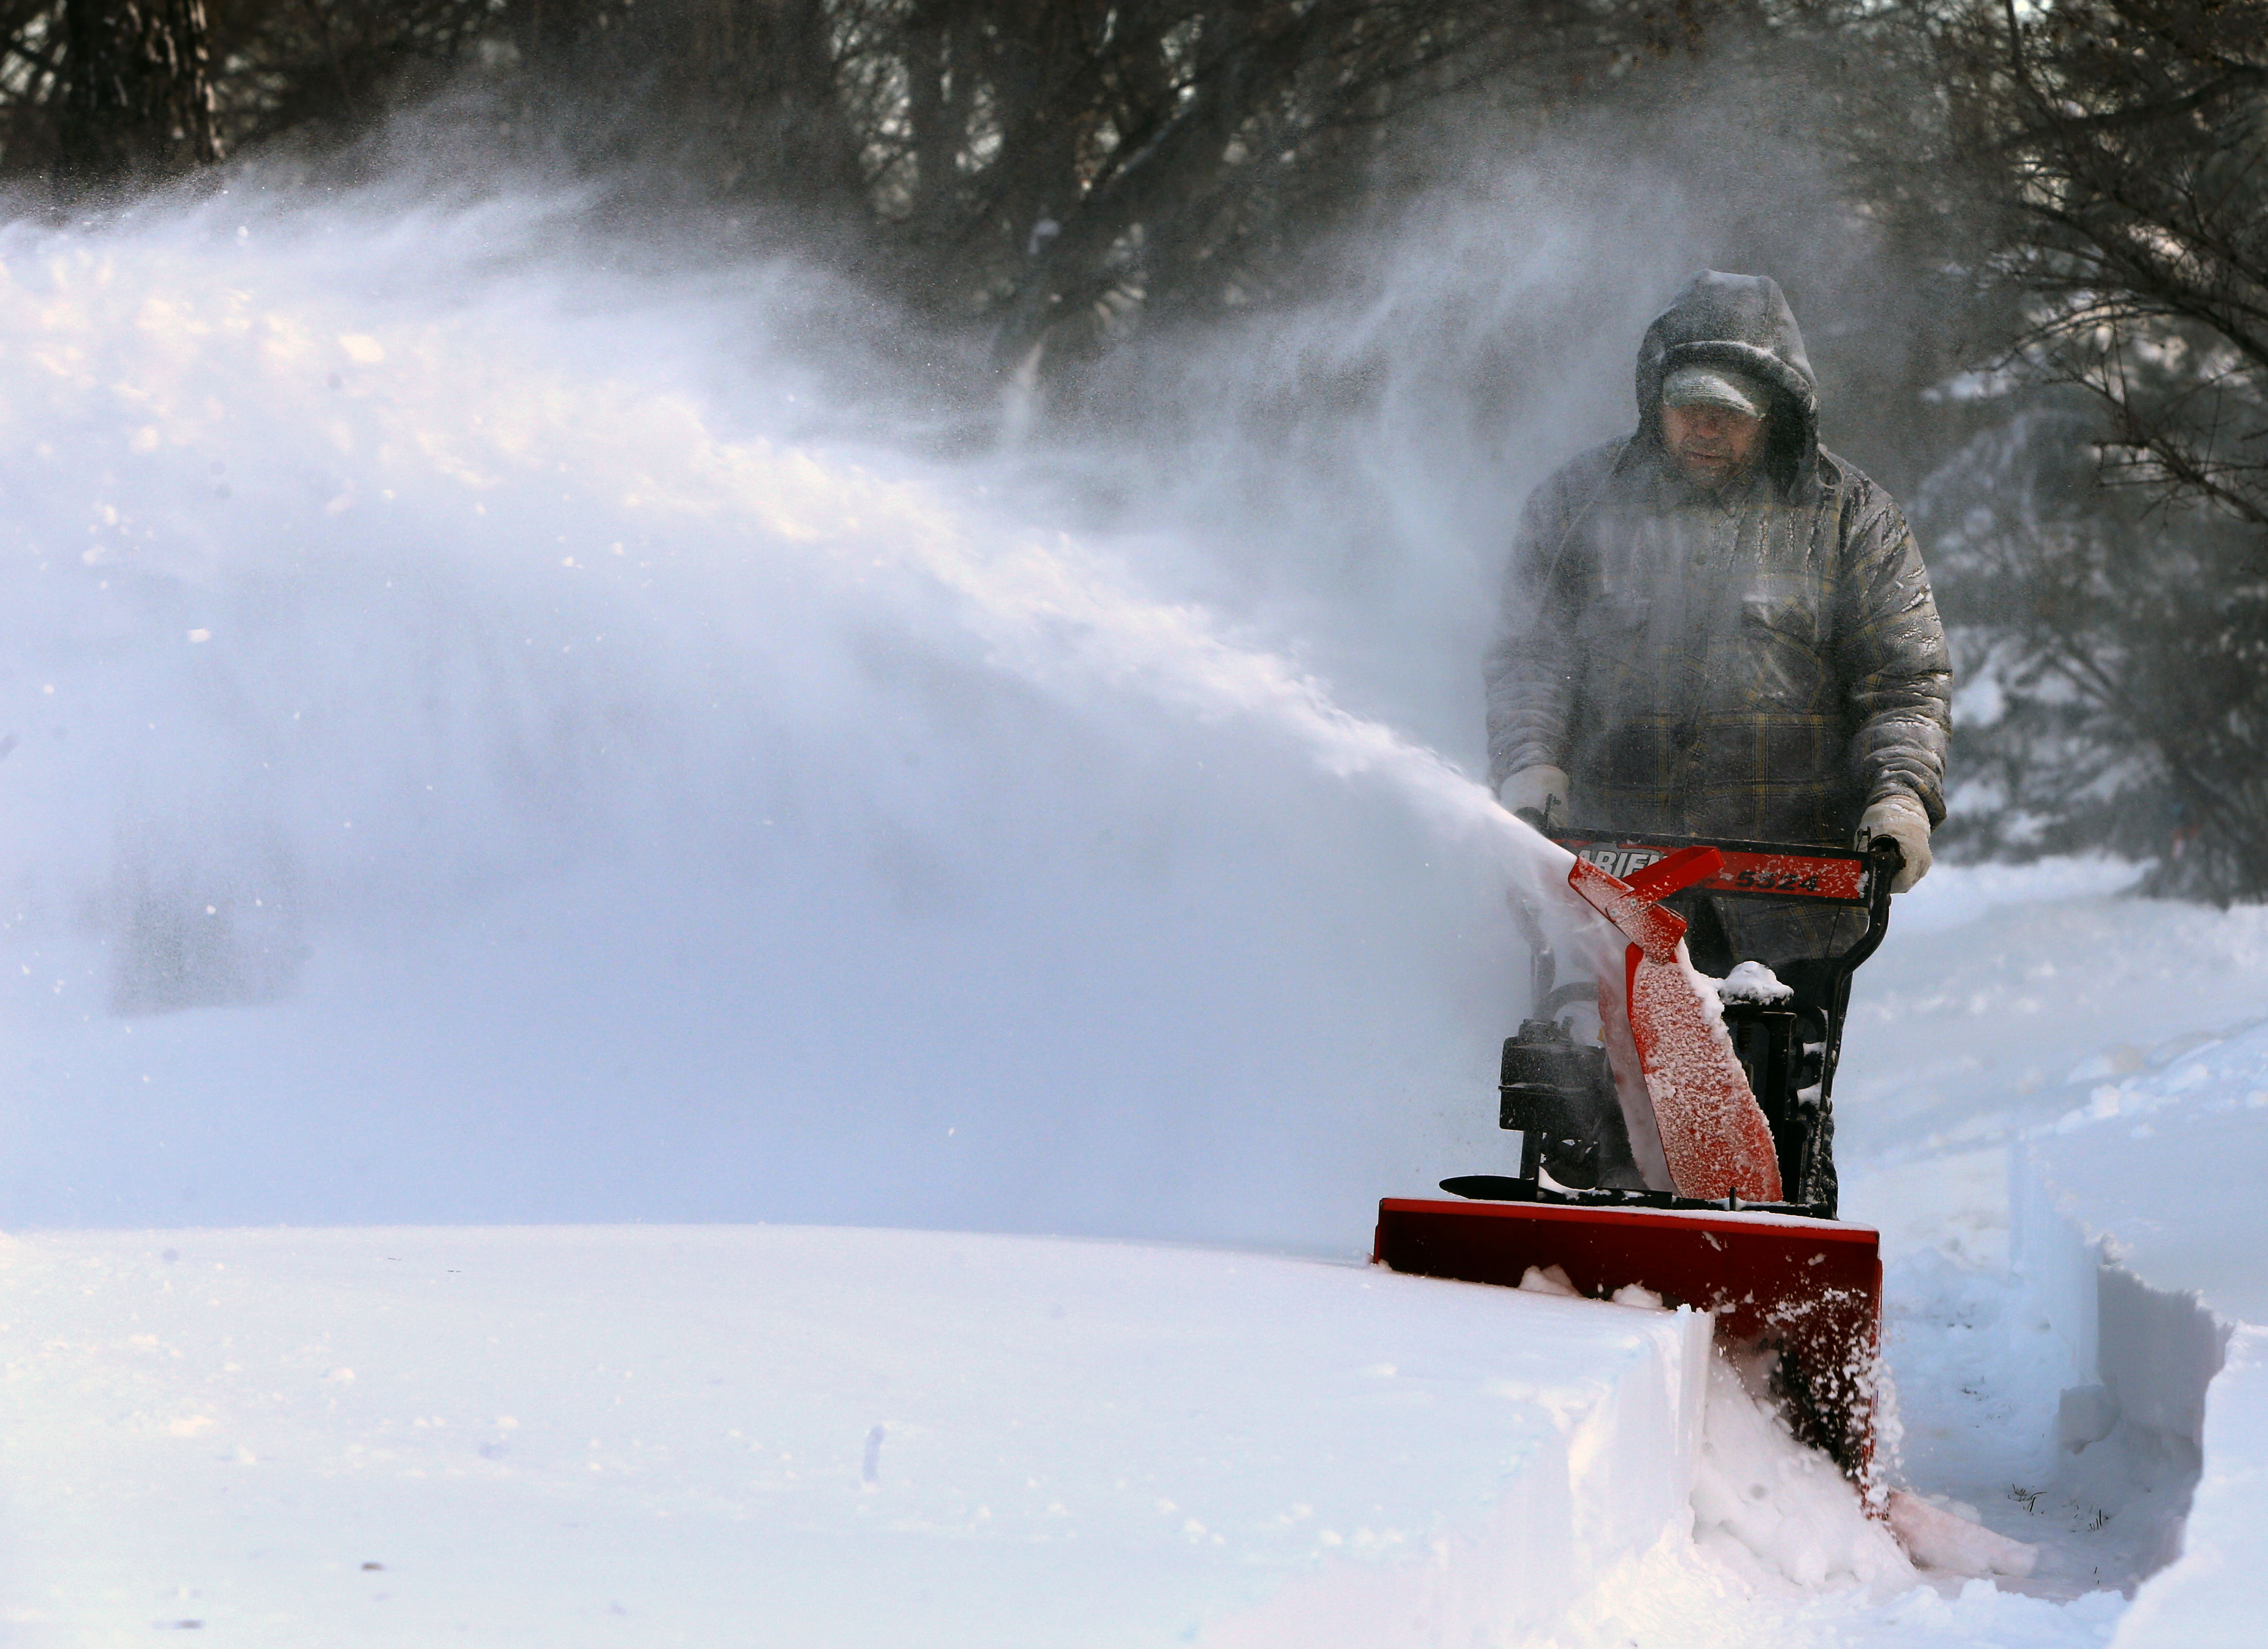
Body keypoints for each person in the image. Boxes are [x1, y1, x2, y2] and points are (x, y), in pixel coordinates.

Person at [1484, 271, 1951, 1204]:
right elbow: (1530, 655)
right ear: (1652, 399)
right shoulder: (1579, 505)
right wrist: (1533, 762)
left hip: (1790, 888)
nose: (1704, 428)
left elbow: (1902, 679)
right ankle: (1584, 1249)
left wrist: (1898, 794)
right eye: (1686, 405)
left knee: (1775, 1106)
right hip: (1617, 869)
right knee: (1593, 1105)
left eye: (1729, 413)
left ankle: (1775, 1240)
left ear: (1775, 412)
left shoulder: (1851, 518)